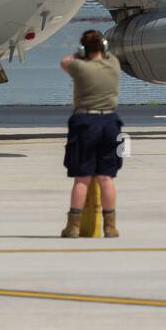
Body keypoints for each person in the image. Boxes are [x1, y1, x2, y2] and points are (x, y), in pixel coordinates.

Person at [59, 29, 123, 238]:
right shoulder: (113, 65)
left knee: (82, 178)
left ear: (84, 49)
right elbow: (108, 53)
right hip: (110, 122)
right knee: (106, 178)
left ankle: (74, 226)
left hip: (85, 122)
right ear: (103, 48)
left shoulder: (79, 67)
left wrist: (79, 54)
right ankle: (110, 226)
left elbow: (64, 62)